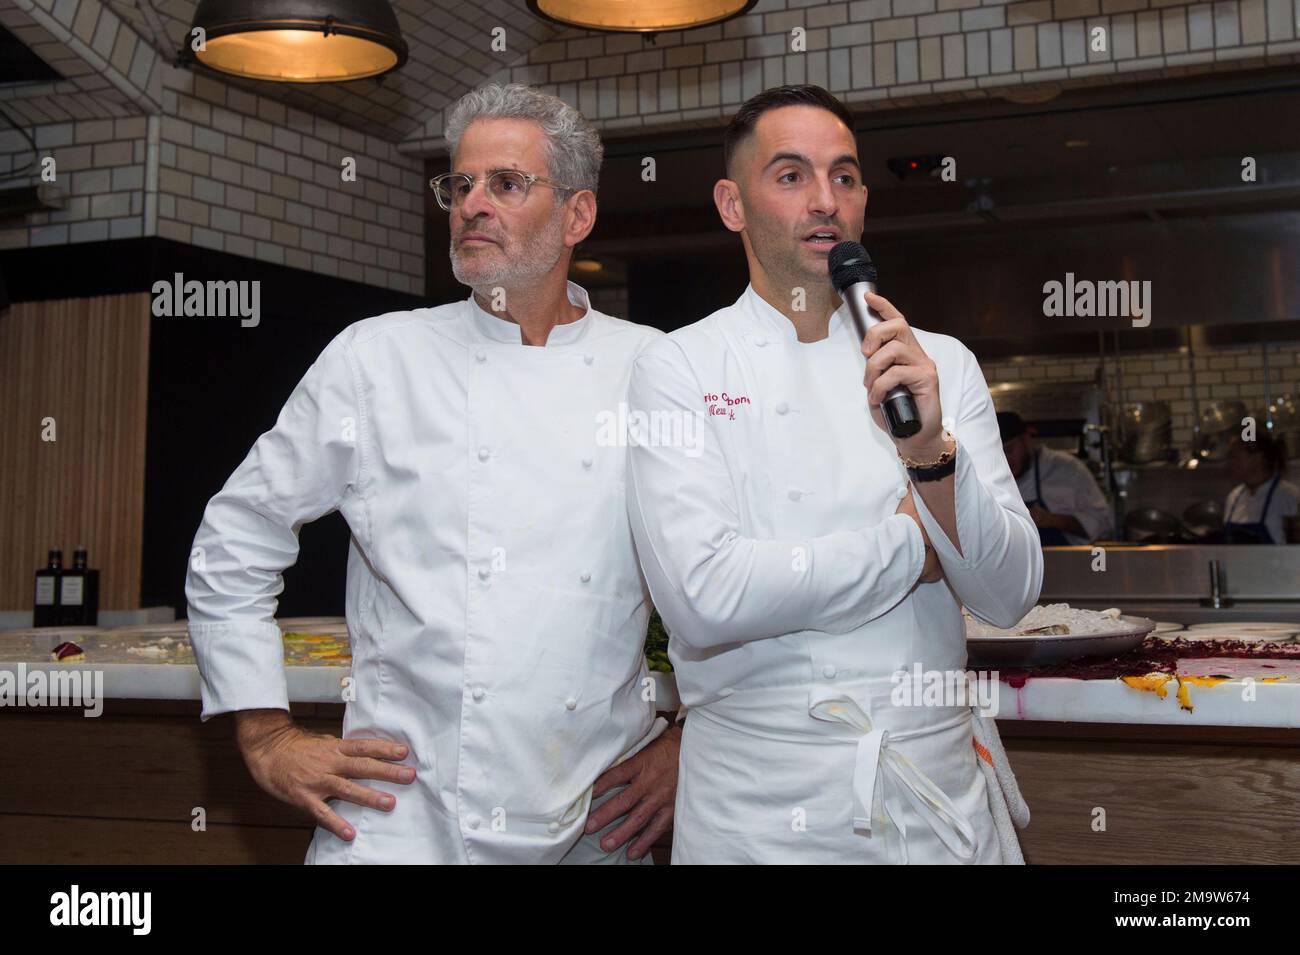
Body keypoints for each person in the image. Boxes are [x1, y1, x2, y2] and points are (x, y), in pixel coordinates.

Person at [186, 84, 680, 865]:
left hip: (595, 824)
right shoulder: (376, 359)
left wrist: (687, 740)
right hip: (400, 821)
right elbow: (236, 536)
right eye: (460, 185)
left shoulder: (656, 366)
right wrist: (265, 729)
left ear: (577, 216)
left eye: (506, 184)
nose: (471, 205)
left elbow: (730, 578)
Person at [625, 85, 1042, 864]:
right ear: (732, 203)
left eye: (844, 177)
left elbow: (1009, 592)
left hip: (934, 795)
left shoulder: (939, 362)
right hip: (759, 811)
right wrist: (907, 547)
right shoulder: (677, 366)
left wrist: (929, 457)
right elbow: (705, 598)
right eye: (790, 176)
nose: (825, 200)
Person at [997, 411, 1113, 546]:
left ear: (1026, 441)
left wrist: (1051, 520)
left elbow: (1102, 524)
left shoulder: (1068, 469)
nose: (1004, 460)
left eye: (1009, 450)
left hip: (1068, 562)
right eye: (998, 453)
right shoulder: (987, 478)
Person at [1223, 431, 1298, 544]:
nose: (1230, 462)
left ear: (1258, 458)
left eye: (1235, 456)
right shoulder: (1234, 497)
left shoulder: (1289, 497)